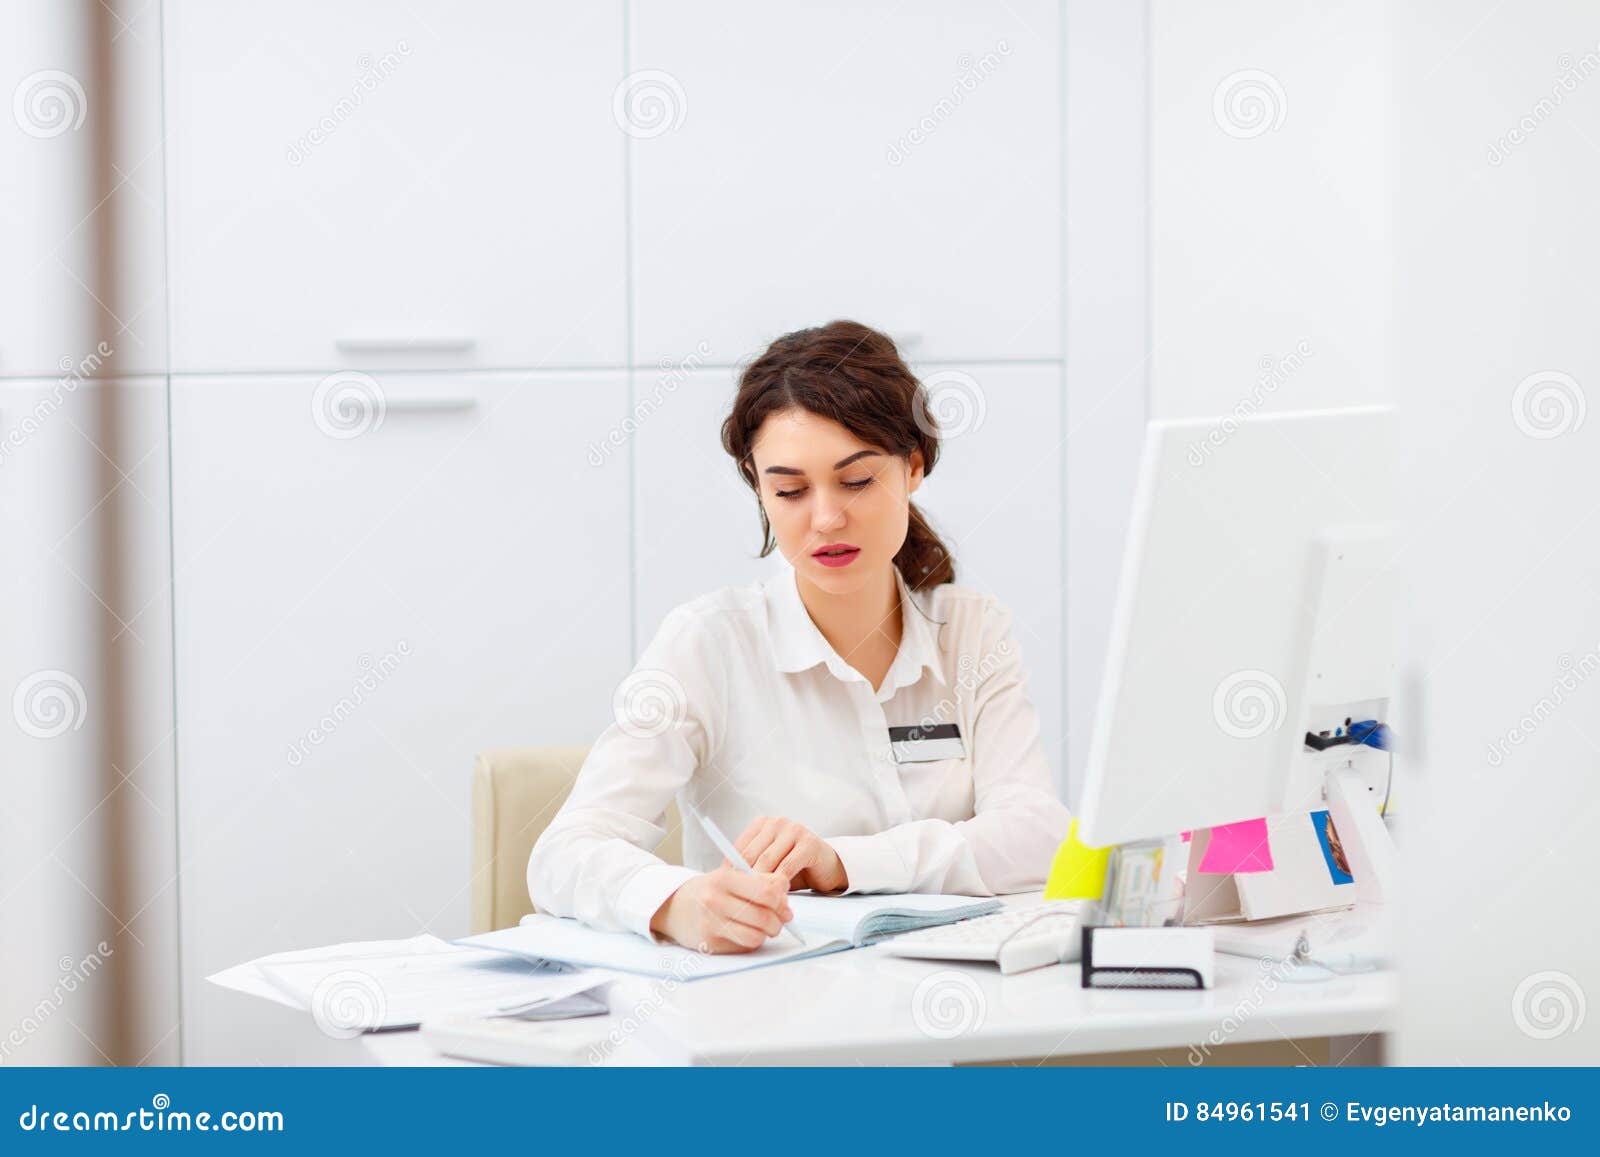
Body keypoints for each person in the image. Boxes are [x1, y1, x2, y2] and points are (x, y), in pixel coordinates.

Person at [527, 319, 1073, 952]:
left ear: (914, 466)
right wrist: (675, 904)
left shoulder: (972, 631)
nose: (825, 518)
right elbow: (564, 853)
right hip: (774, 1012)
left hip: (955, 996)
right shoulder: (709, 643)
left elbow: (1038, 836)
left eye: (857, 481)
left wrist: (842, 863)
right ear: (760, 489)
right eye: (789, 490)